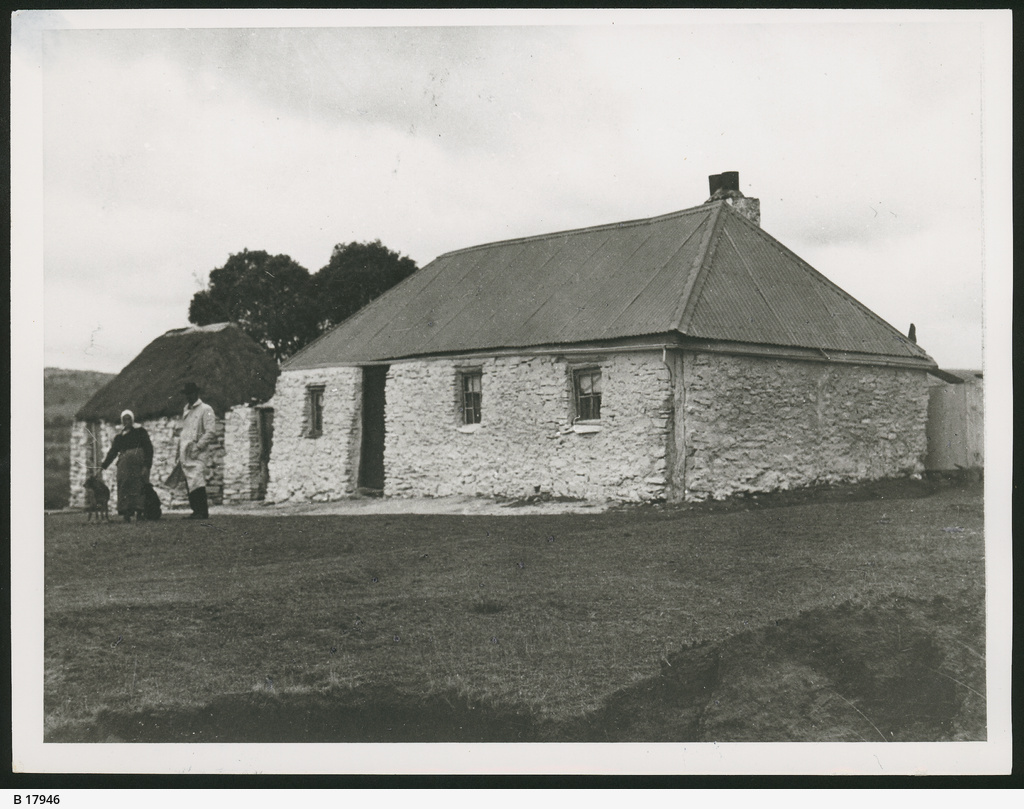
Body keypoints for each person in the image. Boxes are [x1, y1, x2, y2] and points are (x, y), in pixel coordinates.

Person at [101, 409, 154, 523]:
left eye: (128, 419)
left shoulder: (140, 432)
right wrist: (103, 466)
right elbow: (113, 452)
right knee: (124, 485)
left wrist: (146, 466)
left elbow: (149, 449)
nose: (126, 421)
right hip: (124, 466)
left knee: (139, 486)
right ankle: (126, 513)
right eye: (124, 419)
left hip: (138, 464)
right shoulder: (119, 437)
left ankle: (140, 512)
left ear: (132, 419)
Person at [177, 381, 216, 519]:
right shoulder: (186, 410)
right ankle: (195, 510)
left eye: (191, 393)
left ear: (196, 393)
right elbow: (185, 431)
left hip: (198, 450)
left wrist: (198, 446)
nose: (189, 396)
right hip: (186, 450)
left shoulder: (206, 409)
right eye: (187, 394)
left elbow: (210, 432)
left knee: (197, 478)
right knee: (190, 480)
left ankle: (202, 511)